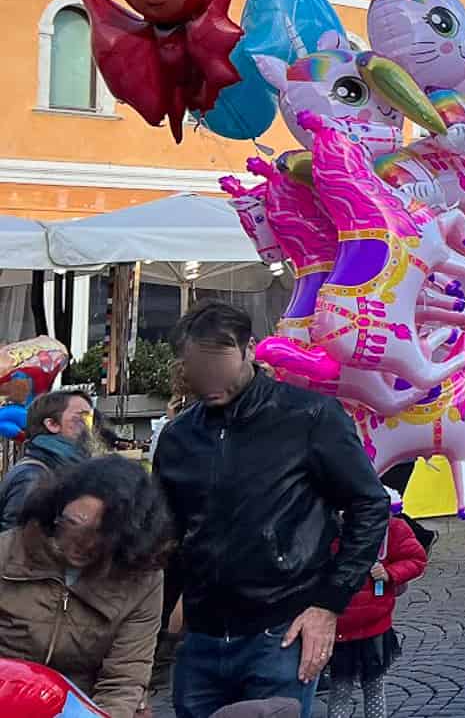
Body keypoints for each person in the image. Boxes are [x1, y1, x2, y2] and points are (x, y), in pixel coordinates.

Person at [156, 303, 390, 718]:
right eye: (198, 368)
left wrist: (329, 604)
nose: (210, 381)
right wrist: (156, 632)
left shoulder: (310, 417)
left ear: (250, 350)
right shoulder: (178, 437)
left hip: (280, 629)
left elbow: (369, 505)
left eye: (219, 366)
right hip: (202, 635)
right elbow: (166, 537)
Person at [0, 455, 170, 717]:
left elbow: (123, 681)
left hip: (85, 706)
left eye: (102, 534)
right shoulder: (7, 551)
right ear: (56, 509)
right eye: (75, 524)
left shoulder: (142, 579)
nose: (83, 543)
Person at [325, 505, 426, 718]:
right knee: (340, 690)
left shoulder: (392, 529)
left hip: (374, 627)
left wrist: (390, 573)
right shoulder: (327, 526)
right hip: (338, 629)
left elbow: (415, 559)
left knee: (374, 686)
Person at [0, 388, 93, 530]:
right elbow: (16, 544)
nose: (88, 425)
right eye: (81, 416)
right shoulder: (33, 477)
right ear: (52, 424)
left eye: (90, 417)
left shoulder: (61, 467)